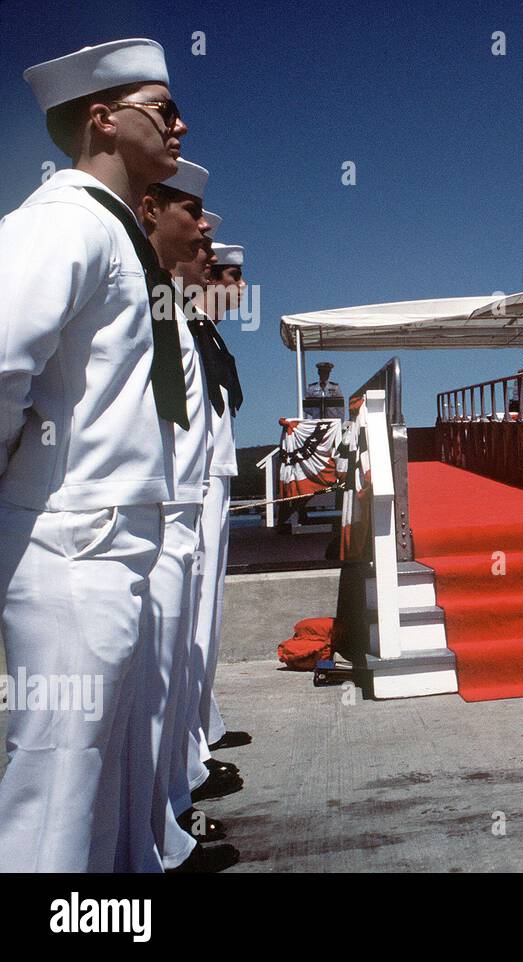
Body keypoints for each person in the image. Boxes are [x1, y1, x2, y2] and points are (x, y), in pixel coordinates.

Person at [0, 38, 189, 871]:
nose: (181, 125)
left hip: (109, 535)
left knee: (103, 780)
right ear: (104, 120)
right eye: (163, 108)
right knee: (57, 781)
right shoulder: (64, 223)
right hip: (72, 535)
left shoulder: (110, 231)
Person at [129, 159, 237, 872]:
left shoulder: (189, 320)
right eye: (215, 262)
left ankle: (174, 791)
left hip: (195, 489)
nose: (208, 248)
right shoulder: (152, 302)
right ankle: (162, 810)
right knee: (157, 663)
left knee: (192, 637)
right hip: (160, 499)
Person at [188, 239, 249, 796]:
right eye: (228, 274)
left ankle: (203, 726)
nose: (238, 287)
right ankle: (189, 752)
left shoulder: (207, 331)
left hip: (216, 476)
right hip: (194, 481)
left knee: (208, 611)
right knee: (192, 611)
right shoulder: (184, 323)